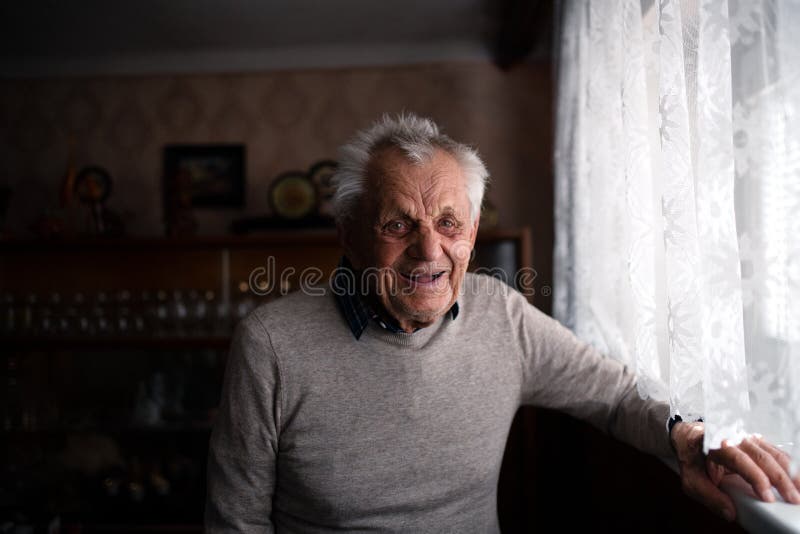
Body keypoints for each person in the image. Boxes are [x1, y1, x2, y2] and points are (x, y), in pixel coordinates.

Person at [205, 114, 800, 532]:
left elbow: (615, 394)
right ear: (351, 238)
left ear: (472, 233)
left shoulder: (502, 316)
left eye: (449, 223)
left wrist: (687, 436)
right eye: (397, 225)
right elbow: (237, 522)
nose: (428, 250)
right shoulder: (271, 344)